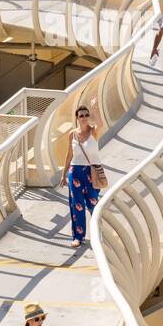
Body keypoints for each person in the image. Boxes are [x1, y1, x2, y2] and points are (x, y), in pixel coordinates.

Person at [59, 95, 103, 247]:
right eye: (81, 115)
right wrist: (64, 174)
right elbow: (69, 155)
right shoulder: (72, 134)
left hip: (91, 172)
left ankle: (99, 235)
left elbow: (100, 123)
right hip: (75, 171)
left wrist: (95, 107)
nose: (84, 117)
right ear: (77, 118)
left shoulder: (94, 131)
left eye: (86, 115)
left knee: (93, 204)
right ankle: (78, 237)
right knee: (76, 205)